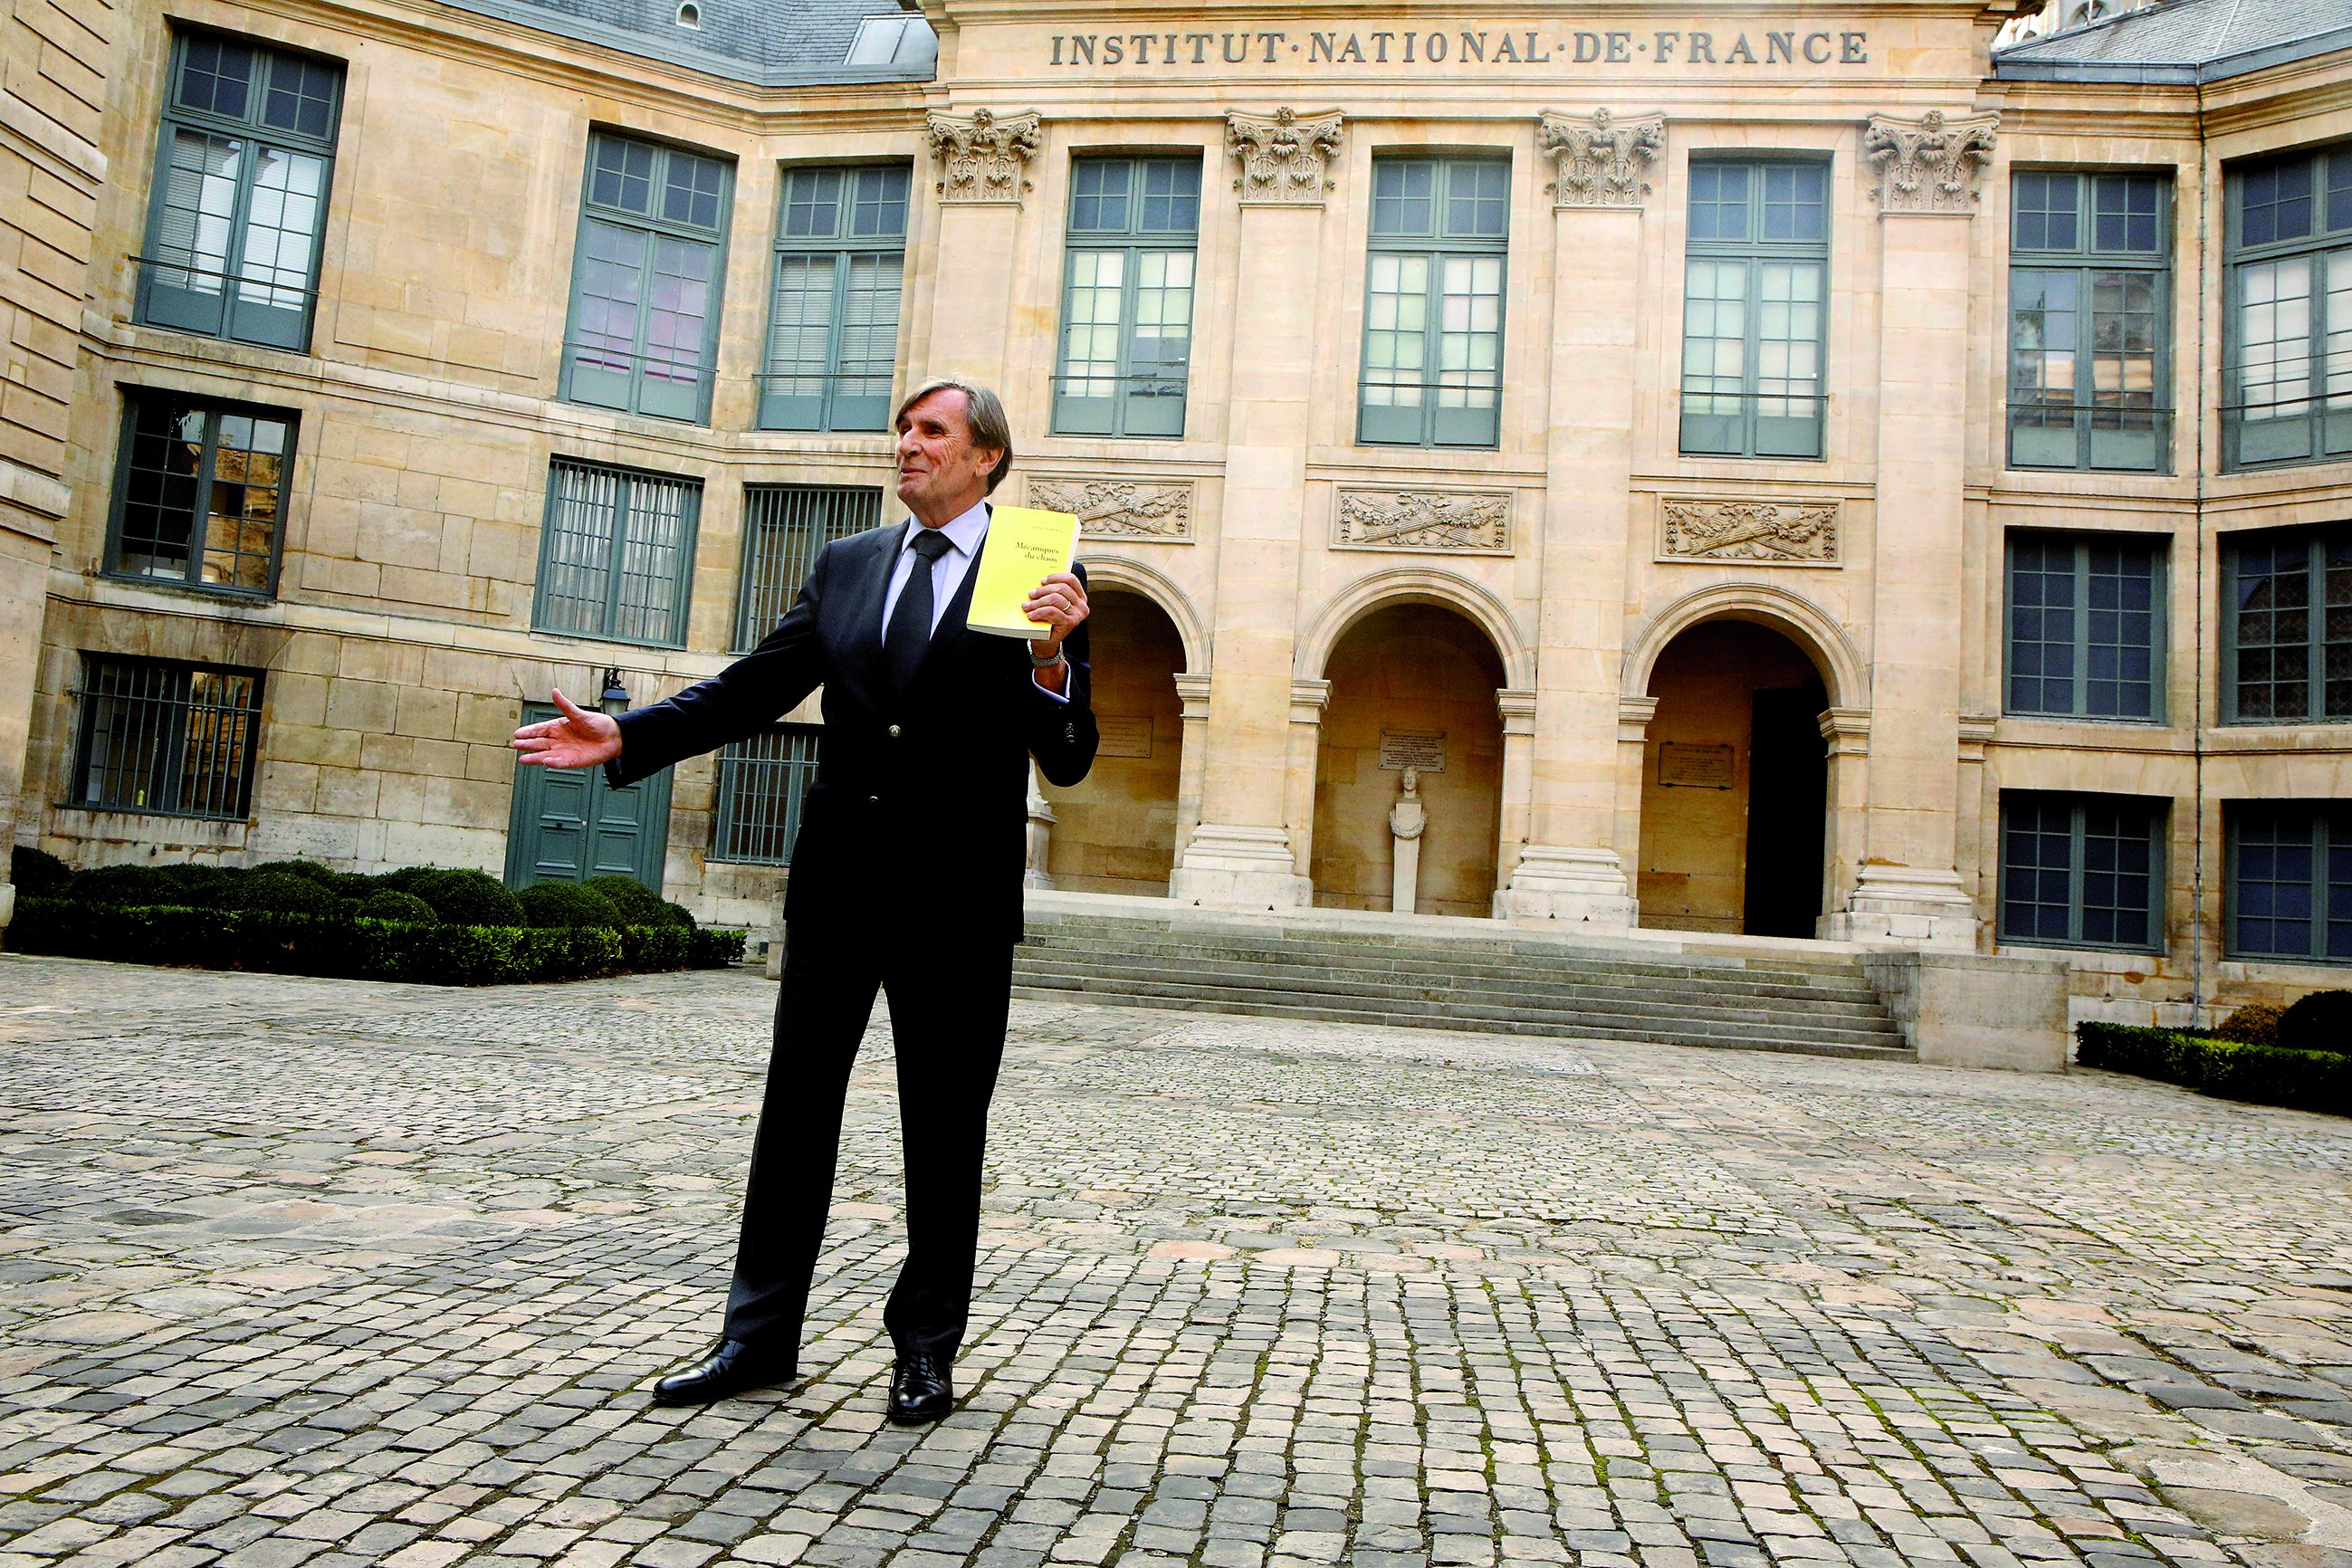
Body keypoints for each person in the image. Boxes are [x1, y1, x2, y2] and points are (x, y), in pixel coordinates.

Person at [512, 377, 1096, 1422]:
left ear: (985, 460)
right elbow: (752, 685)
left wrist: (1053, 659)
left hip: (958, 902)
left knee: (943, 1130)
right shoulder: (846, 564)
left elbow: (1069, 758)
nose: (908, 447)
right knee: (794, 1119)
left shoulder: (1038, 567)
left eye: (931, 433)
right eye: (904, 432)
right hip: (839, 886)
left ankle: (925, 1350)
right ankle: (757, 1338)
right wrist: (630, 734)